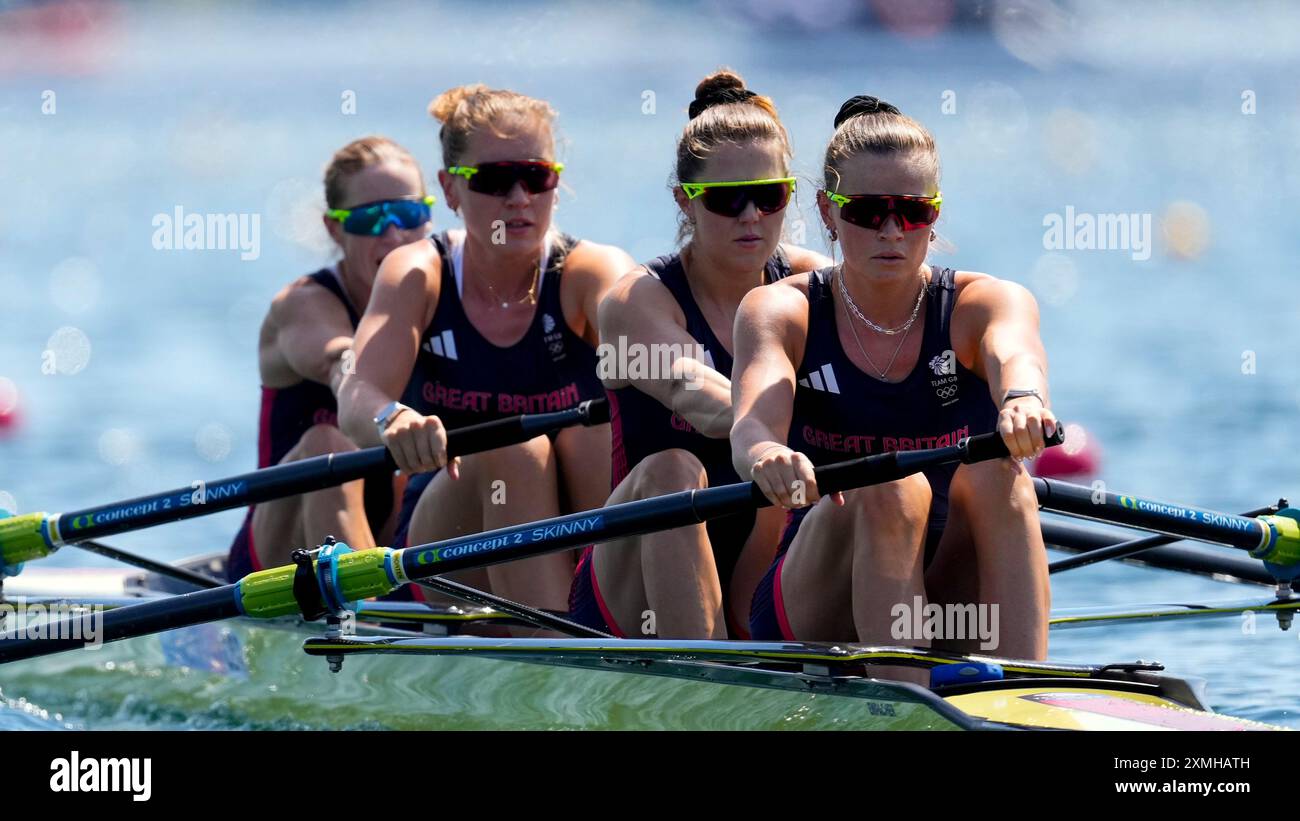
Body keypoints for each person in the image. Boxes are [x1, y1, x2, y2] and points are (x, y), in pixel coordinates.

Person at [731, 95, 1055, 664]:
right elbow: (754, 418)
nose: (890, 230)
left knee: (1000, 479)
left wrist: (1023, 400)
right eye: (866, 211)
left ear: (935, 214)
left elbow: (1016, 354)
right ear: (827, 212)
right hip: (816, 600)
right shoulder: (780, 311)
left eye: (911, 212)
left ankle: (1024, 691)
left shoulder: (983, 302)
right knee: (893, 485)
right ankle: (901, 703)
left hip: (946, 595)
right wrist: (764, 452)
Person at [339, 85, 634, 616]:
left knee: (594, 434)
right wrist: (393, 418)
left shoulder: (592, 271)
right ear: (450, 190)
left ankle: (606, 628)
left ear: (554, 185)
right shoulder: (416, 273)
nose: (519, 199)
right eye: (496, 180)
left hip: (574, 527)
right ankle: (559, 648)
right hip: (449, 542)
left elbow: (658, 352)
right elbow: (357, 394)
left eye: (536, 177)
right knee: (515, 451)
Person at [569, 70, 830, 639]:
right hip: (635, 582)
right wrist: (764, 435)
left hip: (771, 544)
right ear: (685, 202)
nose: (749, 216)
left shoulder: (817, 285)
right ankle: (709, 682)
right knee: (673, 469)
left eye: (768, 196)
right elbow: (695, 391)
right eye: (725, 199)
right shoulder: (637, 299)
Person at [227, 136, 431, 578]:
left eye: (410, 215)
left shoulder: (449, 302)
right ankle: (374, 622)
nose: (395, 235)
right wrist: (375, 406)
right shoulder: (304, 305)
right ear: (335, 228)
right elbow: (338, 363)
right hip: (282, 552)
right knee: (328, 443)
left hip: (394, 532)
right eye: (371, 220)